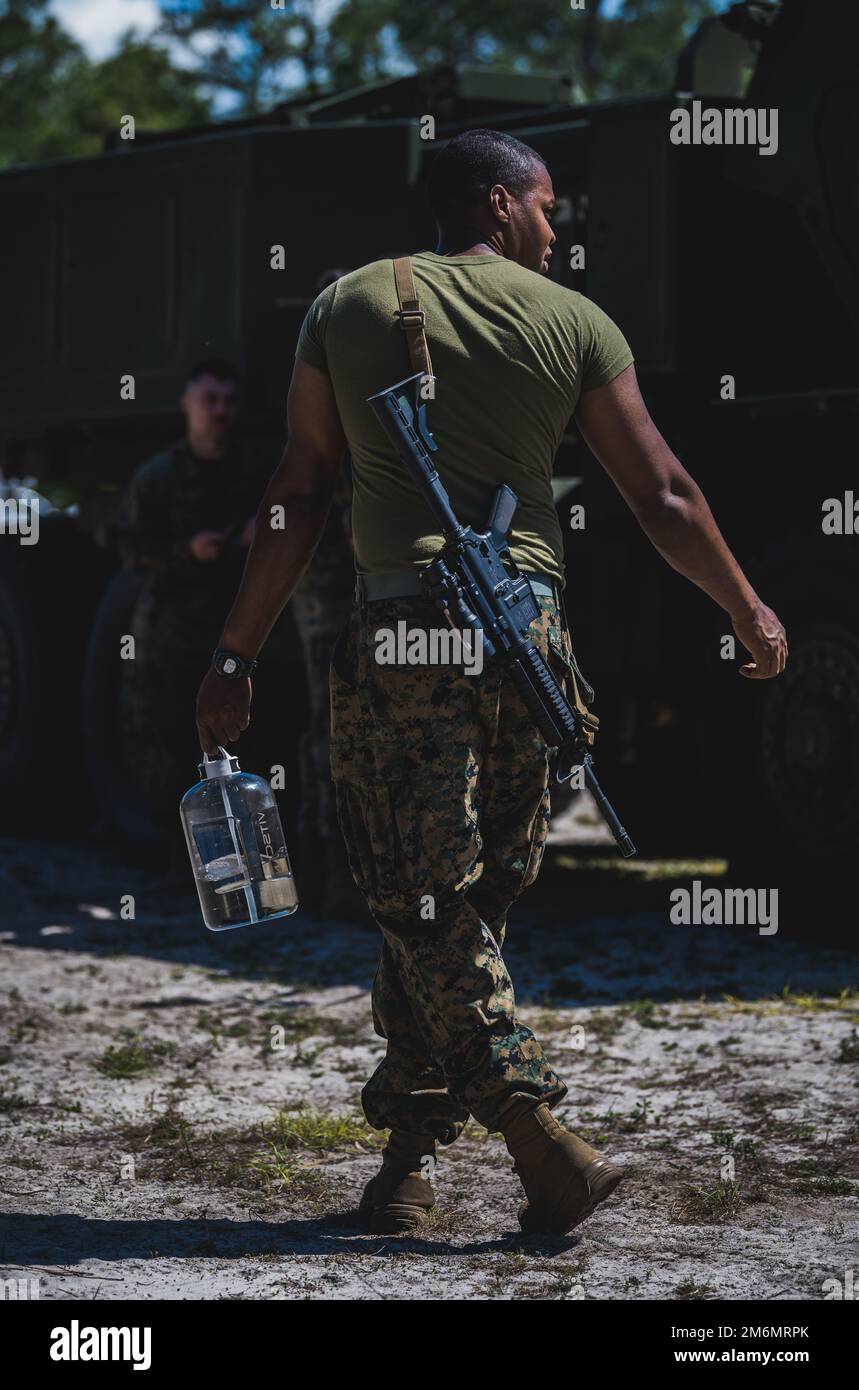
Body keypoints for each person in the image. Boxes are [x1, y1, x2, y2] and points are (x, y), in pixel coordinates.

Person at [195, 130, 787, 1235]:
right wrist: (744, 607)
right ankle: (406, 1170)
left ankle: (533, 1136)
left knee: (422, 903)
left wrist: (236, 650)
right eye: (545, 204)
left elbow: (299, 489)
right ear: (494, 203)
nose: (556, 228)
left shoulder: (348, 303)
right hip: (532, 645)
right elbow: (660, 493)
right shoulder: (576, 321)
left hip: (404, 640)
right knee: (454, 910)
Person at [116, 358, 297, 889]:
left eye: (227, 402)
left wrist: (254, 534)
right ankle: (179, 865)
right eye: (208, 400)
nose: (219, 412)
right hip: (173, 636)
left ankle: (255, 868)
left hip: (238, 632)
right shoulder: (159, 476)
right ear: (187, 405)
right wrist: (188, 551)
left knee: (254, 745)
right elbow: (129, 550)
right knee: (171, 747)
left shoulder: (255, 470)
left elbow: (287, 521)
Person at [289, 270, 365, 920]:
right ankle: (327, 871)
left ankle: (355, 872)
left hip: (370, 575)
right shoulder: (317, 388)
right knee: (328, 722)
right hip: (326, 580)